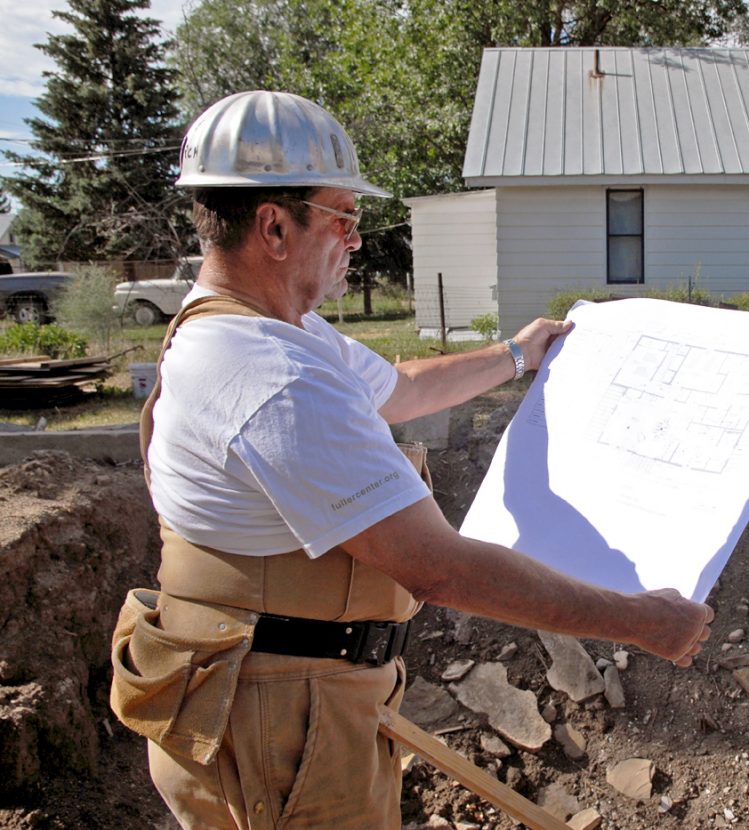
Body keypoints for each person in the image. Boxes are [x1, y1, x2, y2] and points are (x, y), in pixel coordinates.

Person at [109, 90, 713, 830]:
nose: (356, 240)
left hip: (278, 691)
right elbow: (440, 568)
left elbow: (397, 389)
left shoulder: (270, 332)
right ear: (273, 226)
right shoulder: (269, 376)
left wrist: (518, 354)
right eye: (343, 217)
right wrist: (641, 621)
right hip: (273, 720)